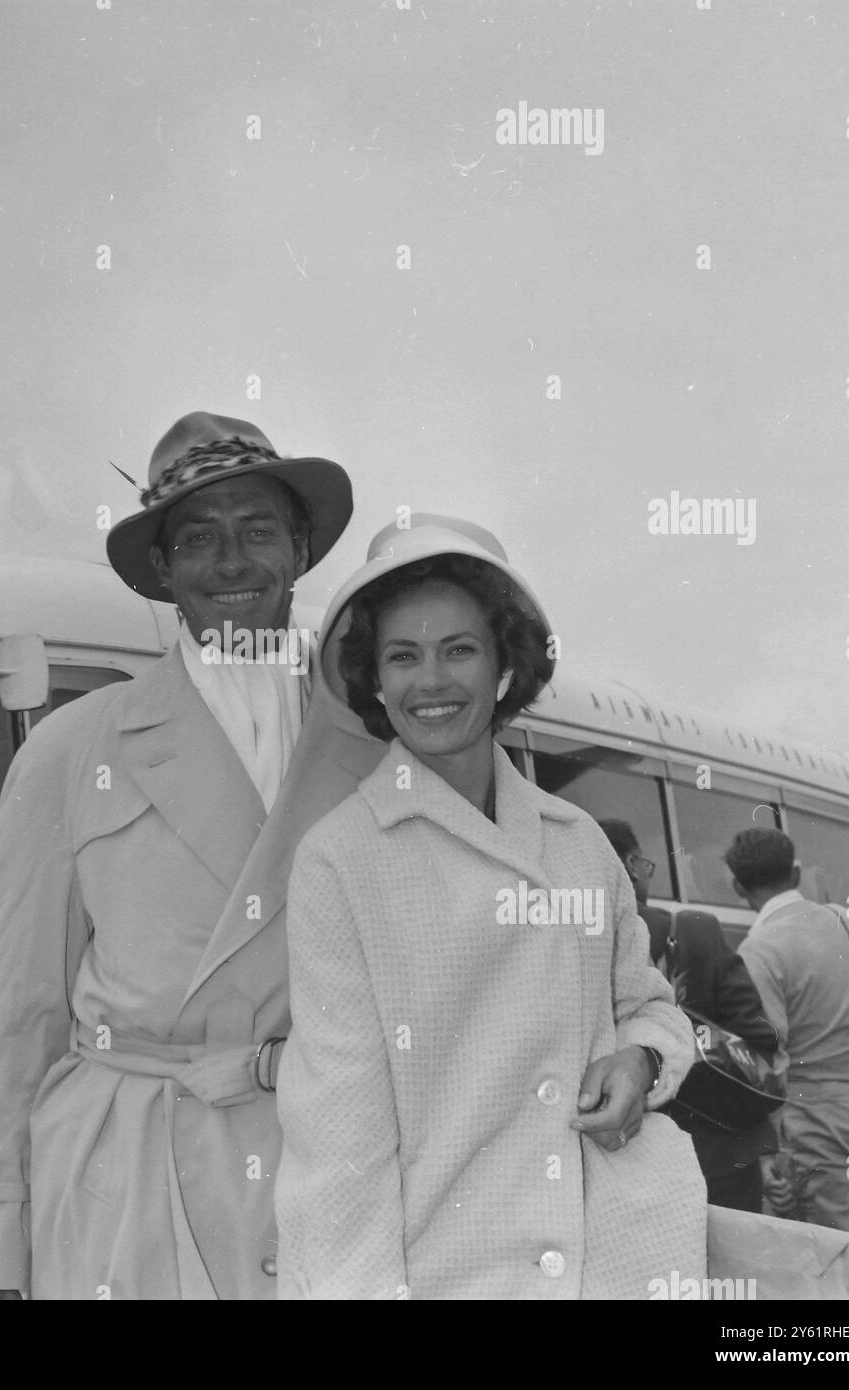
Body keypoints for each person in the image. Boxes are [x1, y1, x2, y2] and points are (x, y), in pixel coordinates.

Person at [0, 410, 385, 1299]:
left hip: (338, 1169)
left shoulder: (377, 743)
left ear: (300, 549)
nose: (230, 563)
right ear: (163, 570)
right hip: (129, 1190)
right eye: (198, 538)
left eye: (258, 530)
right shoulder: (70, 751)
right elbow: (12, 1016)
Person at [274, 514, 706, 1299]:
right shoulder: (340, 860)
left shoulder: (578, 843)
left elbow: (650, 1009)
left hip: (612, 1251)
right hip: (448, 1266)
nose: (430, 681)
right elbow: (340, 1139)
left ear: (505, 664)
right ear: (372, 680)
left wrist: (638, 1060)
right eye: (402, 656)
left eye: (458, 649)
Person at [729, 827, 849, 1299]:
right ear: (796, 872)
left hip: (820, 1120)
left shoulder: (759, 950)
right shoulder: (846, 922)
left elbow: (769, 1055)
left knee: (846, 1257)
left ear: (738, 887)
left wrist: (773, 1143)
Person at [599, 818, 780, 1212]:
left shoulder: (572, 936)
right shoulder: (696, 929)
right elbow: (760, 1038)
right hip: (719, 1155)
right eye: (647, 865)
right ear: (631, 865)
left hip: (618, 1157)